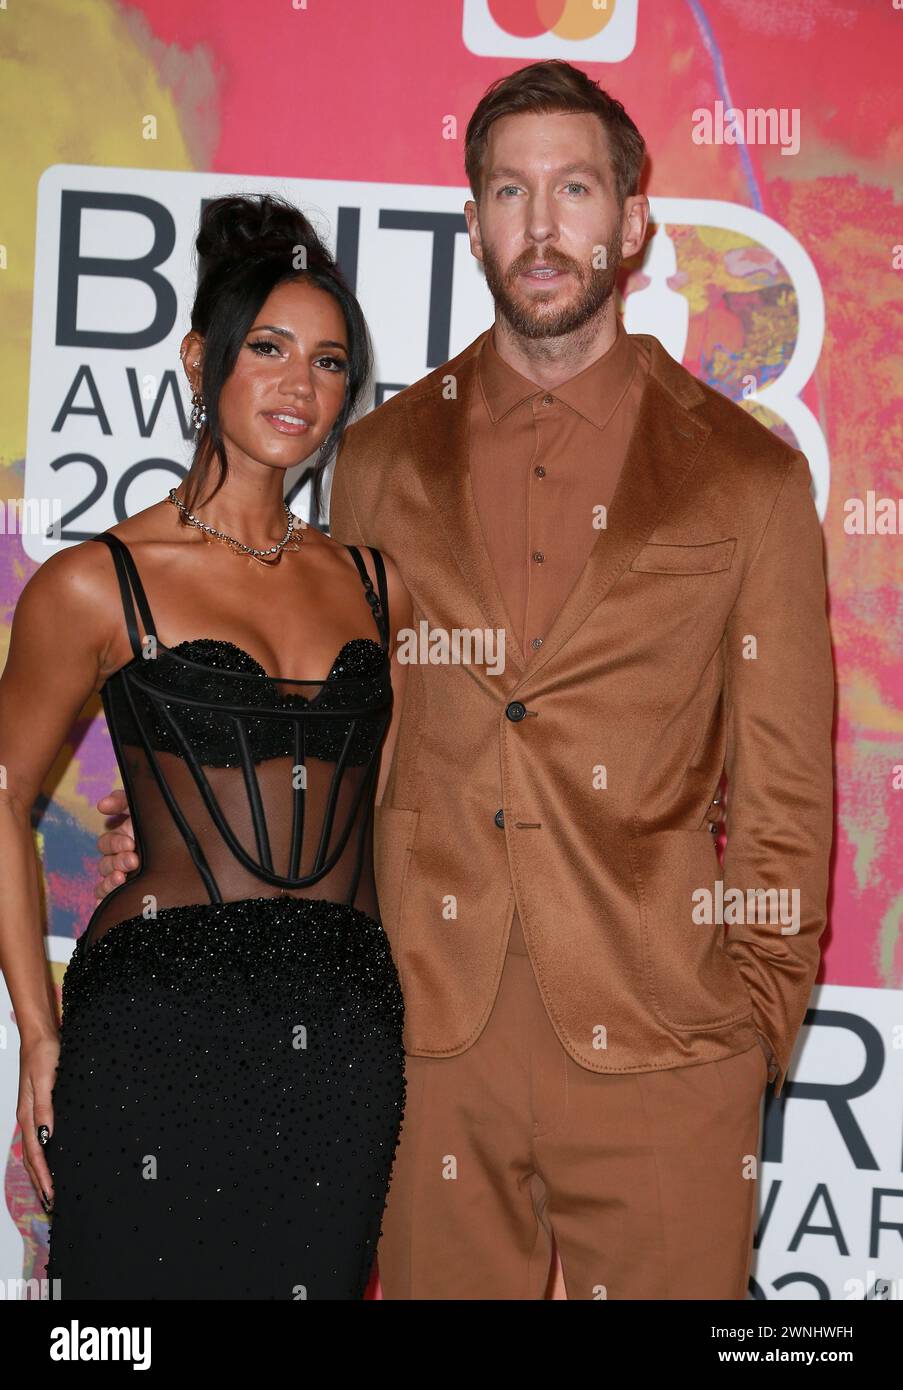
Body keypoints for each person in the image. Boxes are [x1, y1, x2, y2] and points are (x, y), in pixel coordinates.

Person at [94, 62, 835, 1300]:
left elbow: (788, 797)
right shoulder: (377, 454)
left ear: (634, 218)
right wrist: (188, 825)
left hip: (666, 1054)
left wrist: (749, 1037)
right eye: (509, 191)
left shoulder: (744, 480)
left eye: (575, 189)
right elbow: (345, 713)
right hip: (427, 1046)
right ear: (475, 218)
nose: (542, 227)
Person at [0, 193, 413, 1299]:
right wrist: (39, 1038)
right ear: (199, 357)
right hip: (156, 1025)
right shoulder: (96, 581)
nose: (300, 384)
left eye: (330, 362)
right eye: (269, 348)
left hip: (342, 1032)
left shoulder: (377, 584)